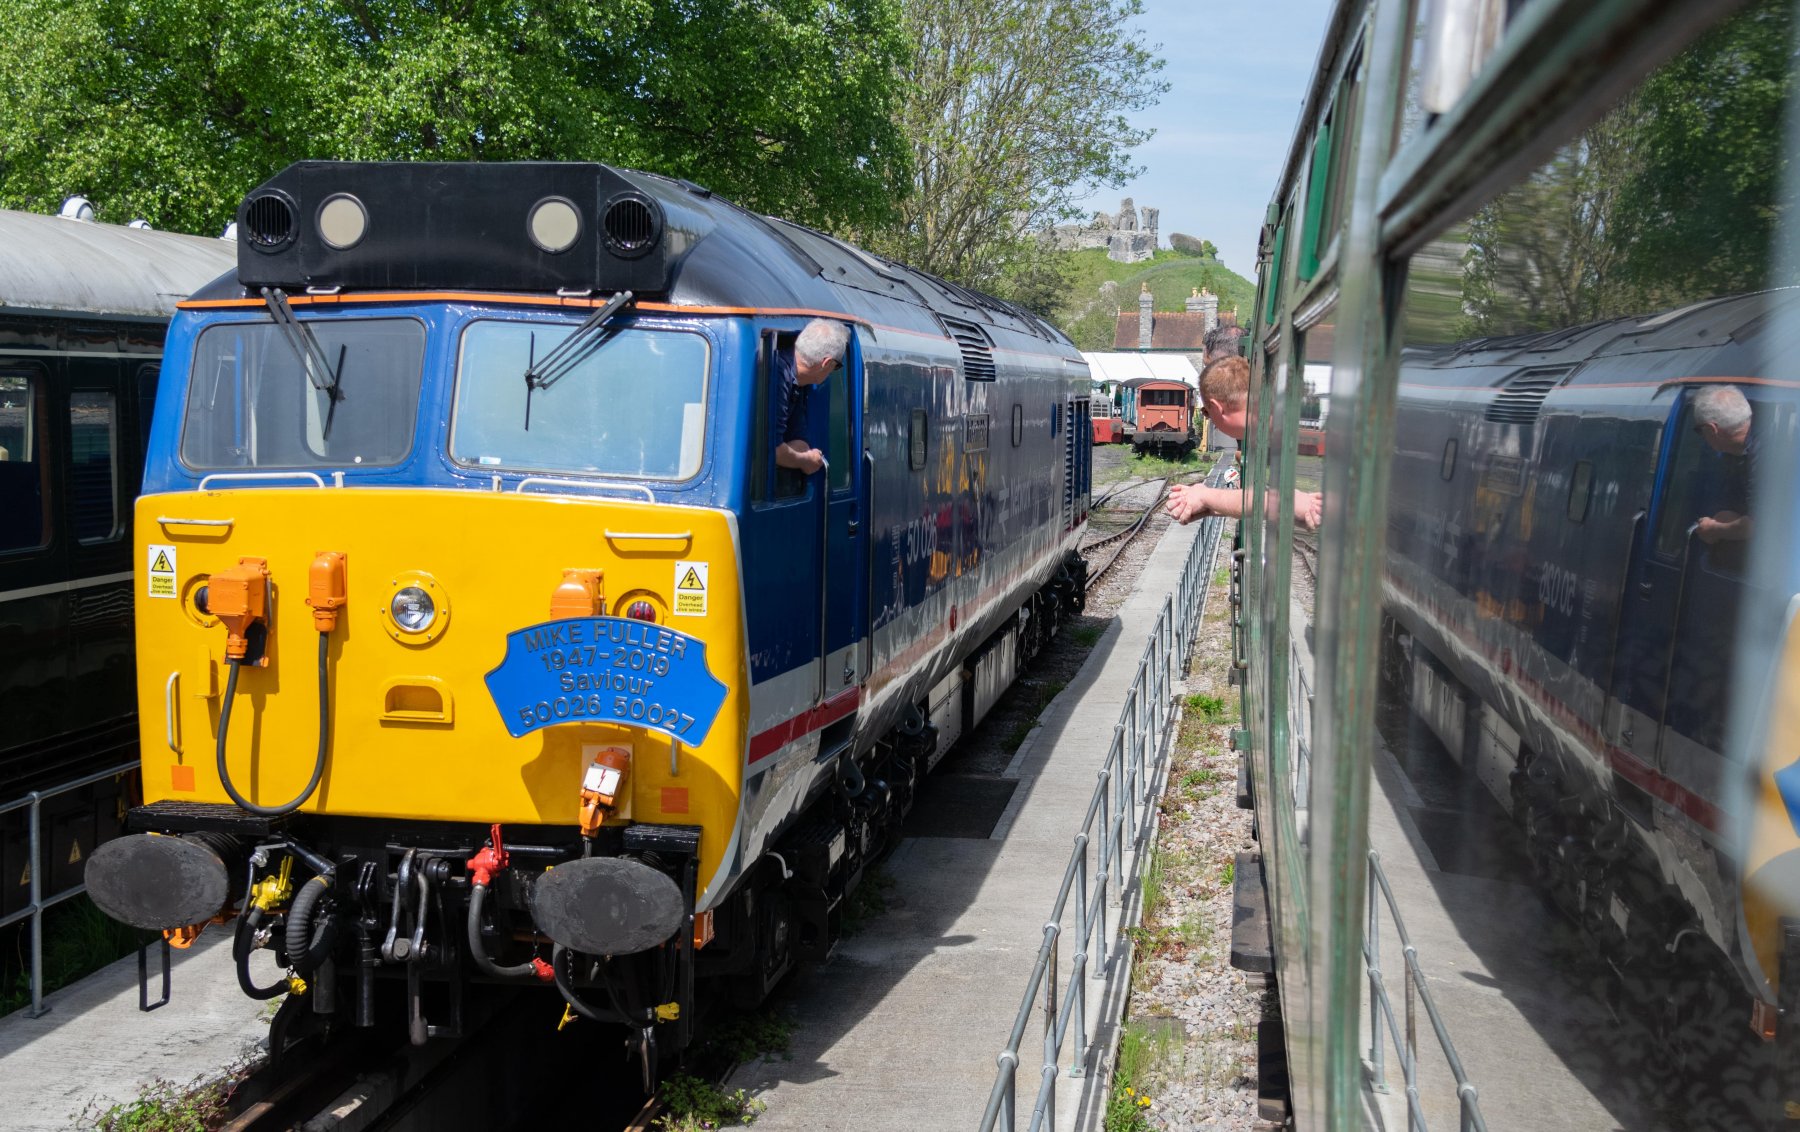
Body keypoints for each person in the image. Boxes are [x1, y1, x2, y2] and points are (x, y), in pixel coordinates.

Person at [1164, 355, 1323, 528]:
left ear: (1216, 408)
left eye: (1207, 412)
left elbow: (1270, 500)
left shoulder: (1278, 437)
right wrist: (1209, 506)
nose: (1209, 418)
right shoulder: (1270, 432)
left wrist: (1204, 496)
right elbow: (1270, 502)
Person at [773, 319, 849, 476]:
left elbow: (800, 441)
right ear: (827, 363)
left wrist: (791, 454)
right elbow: (772, 450)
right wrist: (805, 460)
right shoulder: (778, 374)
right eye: (837, 366)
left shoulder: (797, 383)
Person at [1692, 384, 1757, 545]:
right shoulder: (1741, 450)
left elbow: (1761, 525)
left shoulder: (1765, 459)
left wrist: (1714, 528)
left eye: (1699, 431)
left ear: (1711, 429)